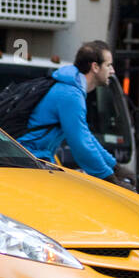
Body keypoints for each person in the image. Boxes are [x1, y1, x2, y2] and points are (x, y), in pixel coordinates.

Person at [17, 40, 119, 182]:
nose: (112, 71)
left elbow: (86, 136)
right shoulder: (70, 94)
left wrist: (114, 166)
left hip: (32, 160)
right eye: (108, 65)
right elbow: (81, 145)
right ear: (95, 67)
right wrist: (109, 178)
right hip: (27, 162)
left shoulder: (70, 88)